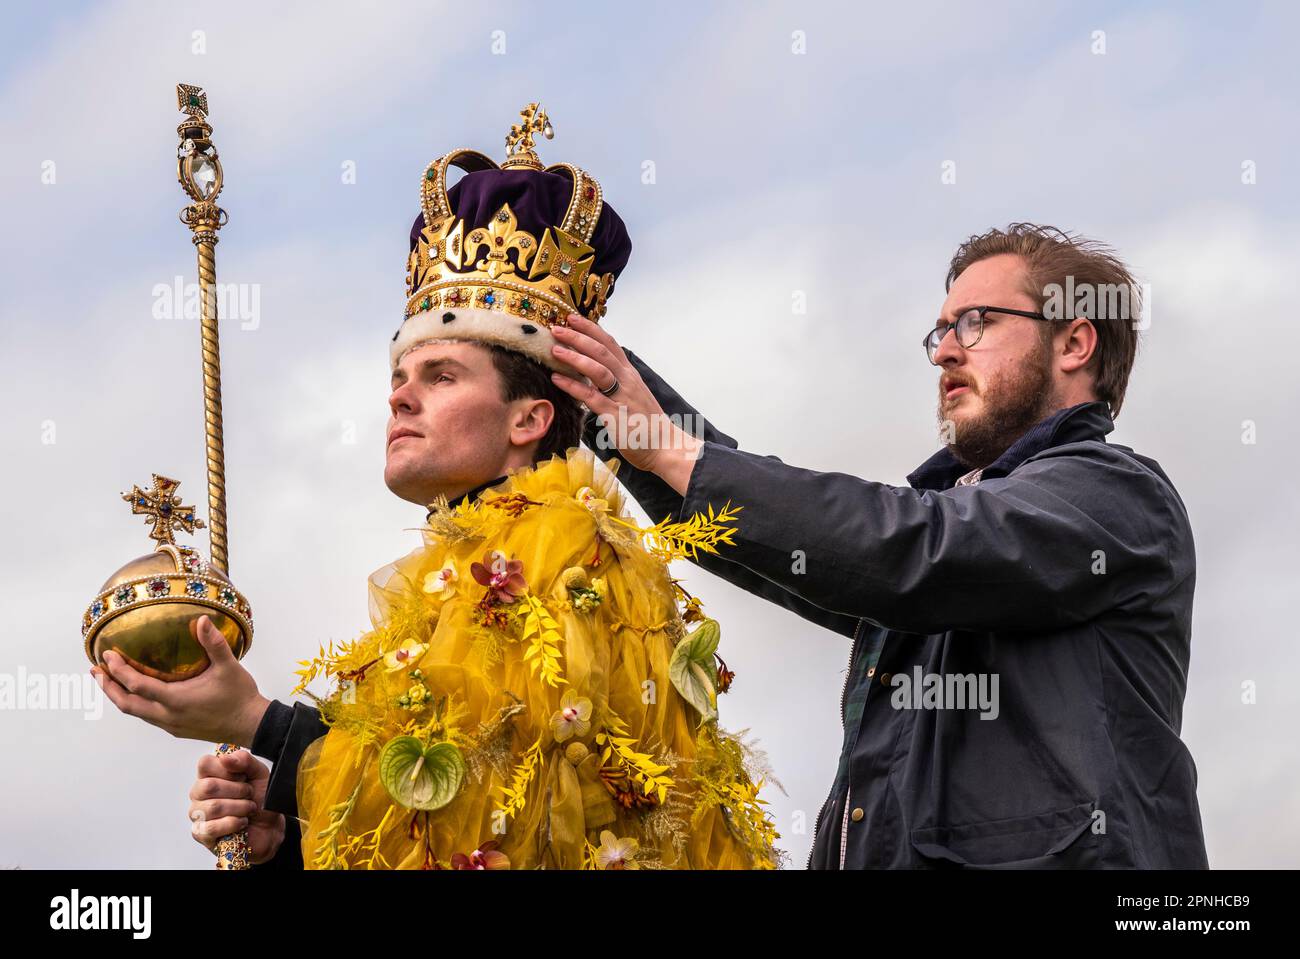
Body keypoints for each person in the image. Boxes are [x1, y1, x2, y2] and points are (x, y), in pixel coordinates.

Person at [546, 223, 1209, 869]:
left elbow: (905, 546)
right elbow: (777, 550)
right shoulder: (944, 535)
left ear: (1074, 342)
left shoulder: (1118, 496)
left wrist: (670, 448)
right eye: (941, 331)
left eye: (976, 322)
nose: (946, 351)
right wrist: (593, 386)